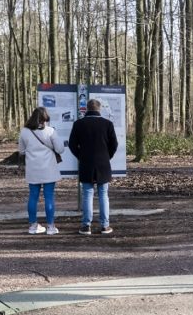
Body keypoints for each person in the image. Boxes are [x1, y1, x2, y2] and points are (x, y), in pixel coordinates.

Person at [68, 99, 118, 235]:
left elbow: (72, 145)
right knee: (103, 194)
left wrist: (81, 156)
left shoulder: (79, 124)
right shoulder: (107, 124)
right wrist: (107, 157)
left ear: (86, 109)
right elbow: (114, 144)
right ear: (99, 109)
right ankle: (105, 226)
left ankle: (86, 226)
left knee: (87, 194)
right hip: (103, 164)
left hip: (86, 163)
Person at [18, 106, 64, 234]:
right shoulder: (50, 131)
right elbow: (60, 149)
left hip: (33, 169)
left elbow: (21, 151)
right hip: (49, 169)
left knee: (33, 197)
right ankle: (50, 227)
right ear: (45, 118)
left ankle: (33, 226)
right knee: (49, 197)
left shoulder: (24, 131)